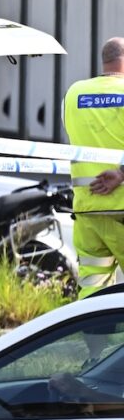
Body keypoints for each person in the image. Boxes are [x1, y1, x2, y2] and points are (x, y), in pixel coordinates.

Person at [63, 37, 124, 292]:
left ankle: (93, 334)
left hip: (87, 211)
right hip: (121, 208)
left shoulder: (74, 93)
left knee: (92, 288)